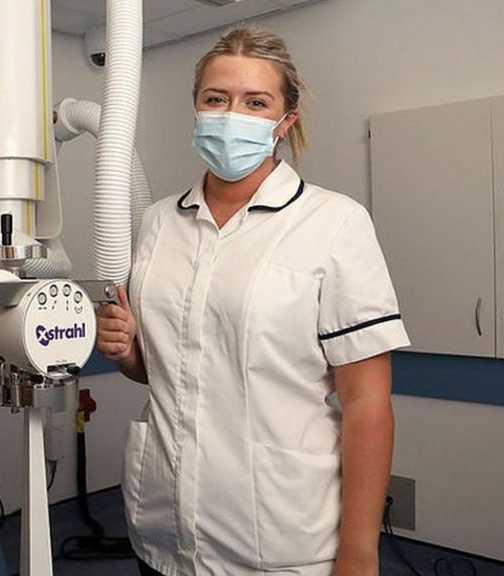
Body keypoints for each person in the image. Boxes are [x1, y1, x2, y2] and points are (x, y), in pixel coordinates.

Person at [97, 25, 410, 576]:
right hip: (163, 532)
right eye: (216, 99)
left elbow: (366, 404)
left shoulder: (334, 223)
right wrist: (128, 355)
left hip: (279, 541)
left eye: (255, 102)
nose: (230, 114)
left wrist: (360, 550)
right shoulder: (157, 223)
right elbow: (171, 370)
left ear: (285, 122)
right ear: (195, 109)